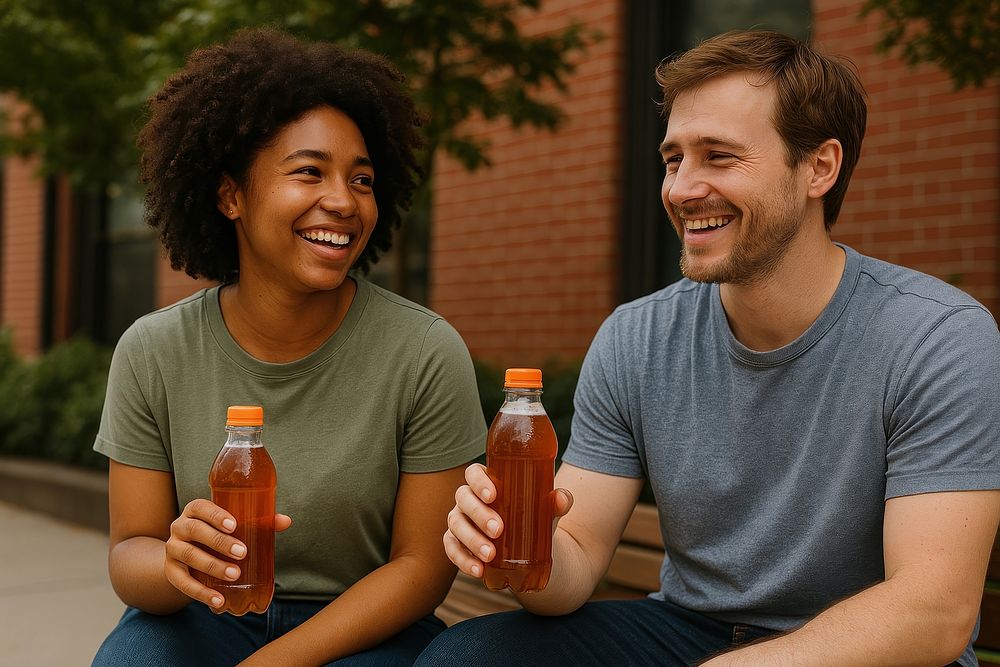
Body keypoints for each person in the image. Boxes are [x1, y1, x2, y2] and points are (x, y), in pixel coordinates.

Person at [417, 29, 1000, 667]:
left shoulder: (938, 336)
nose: (681, 189)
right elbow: (576, 560)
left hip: (864, 651)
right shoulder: (635, 337)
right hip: (688, 634)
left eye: (718, 156)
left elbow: (932, 610)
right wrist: (520, 550)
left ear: (819, 168)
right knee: (465, 657)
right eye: (674, 160)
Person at [91, 28, 486, 666]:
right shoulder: (153, 349)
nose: (343, 201)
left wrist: (274, 662)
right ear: (230, 196)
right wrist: (174, 561)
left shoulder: (425, 351)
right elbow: (128, 552)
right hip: (204, 620)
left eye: (361, 180)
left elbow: (420, 569)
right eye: (309, 172)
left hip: (362, 628)